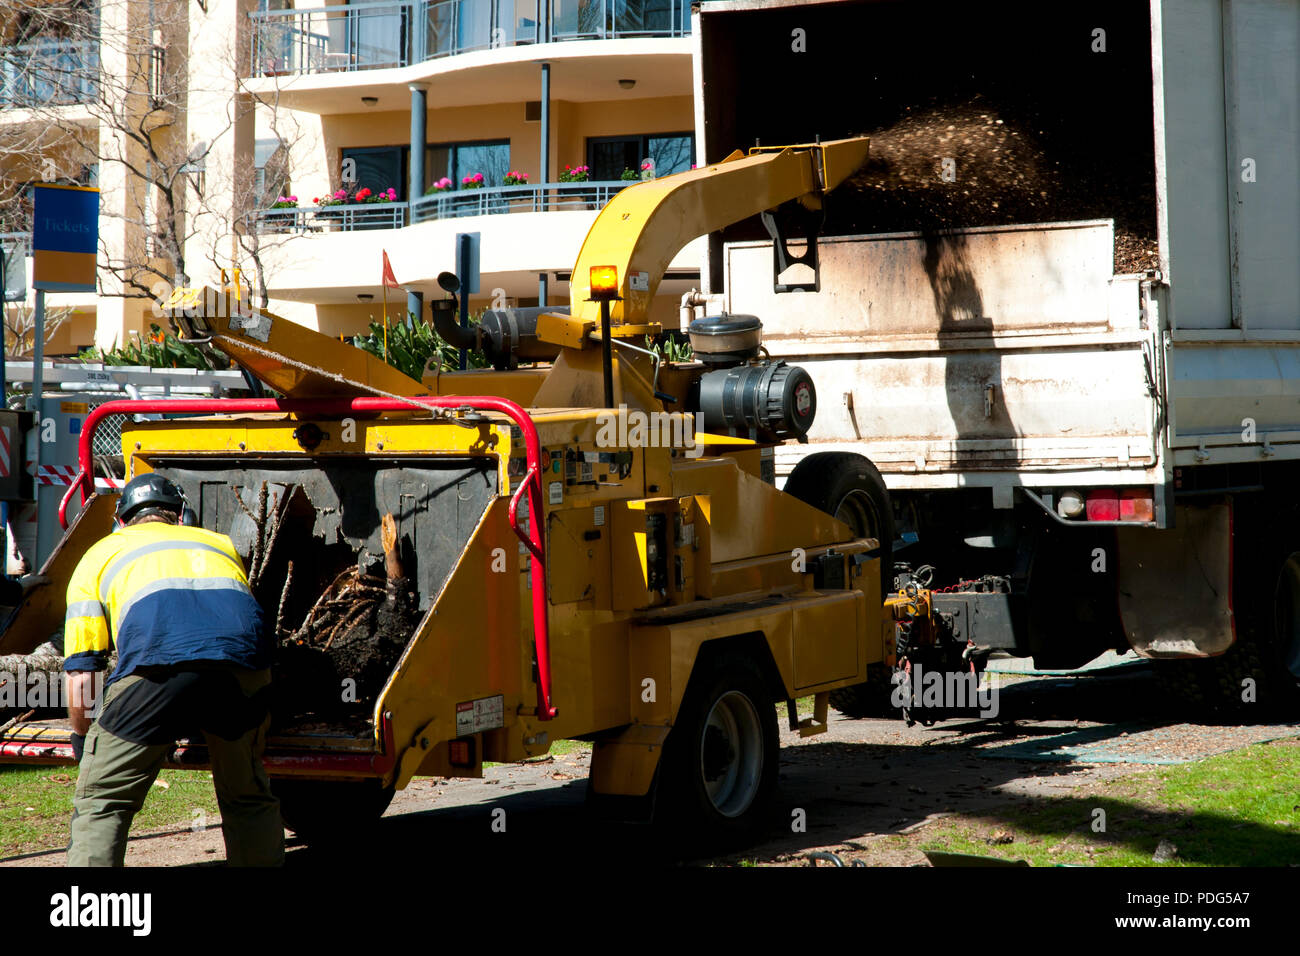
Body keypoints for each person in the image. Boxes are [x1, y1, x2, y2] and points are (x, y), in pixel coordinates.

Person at [62, 473, 283, 866]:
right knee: (248, 798)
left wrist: (84, 739)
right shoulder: (220, 544)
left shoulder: (99, 554)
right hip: (245, 670)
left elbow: (83, 672)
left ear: (122, 521)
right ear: (184, 516)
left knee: (103, 801)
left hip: (156, 672)